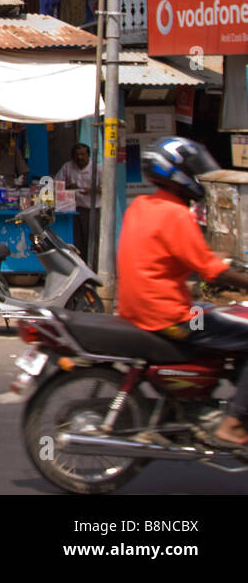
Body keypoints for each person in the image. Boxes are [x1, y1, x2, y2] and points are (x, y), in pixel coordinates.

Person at [117, 137, 248, 447]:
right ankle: (232, 423)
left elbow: (183, 256)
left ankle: (197, 397)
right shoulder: (175, 215)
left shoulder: (142, 206)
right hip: (170, 316)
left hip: (139, 307)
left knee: (212, 314)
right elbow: (211, 271)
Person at [56, 143, 99, 254]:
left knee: (92, 241)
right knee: (76, 241)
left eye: (82, 154)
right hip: (72, 210)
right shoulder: (67, 167)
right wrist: (67, 187)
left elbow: (107, 187)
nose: (80, 157)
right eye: (77, 155)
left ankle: (93, 263)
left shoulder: (97, 168)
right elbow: (57, 183)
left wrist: (91, 190)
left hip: (91, 209)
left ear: (88, 155)